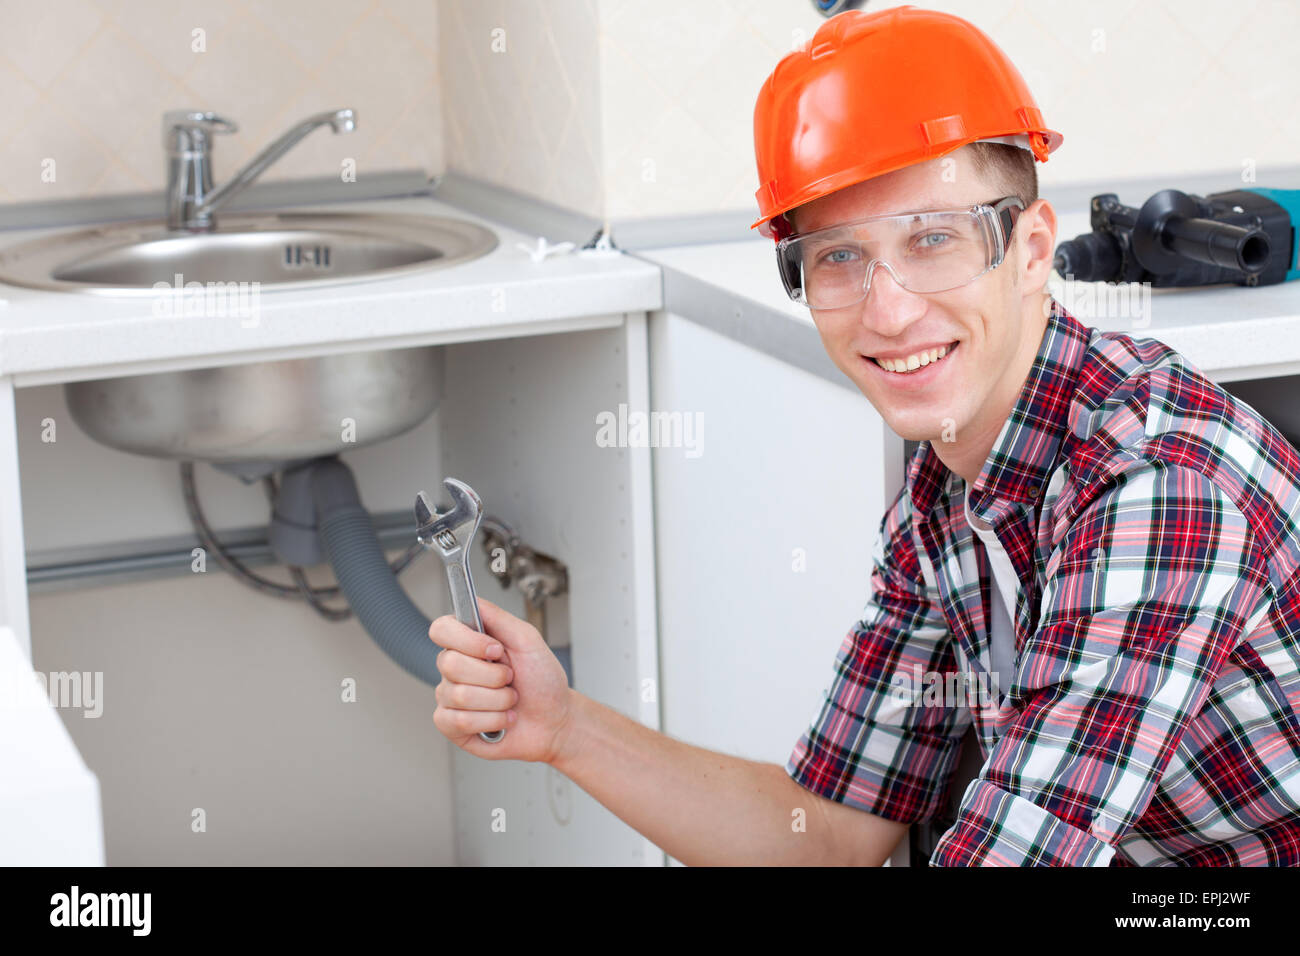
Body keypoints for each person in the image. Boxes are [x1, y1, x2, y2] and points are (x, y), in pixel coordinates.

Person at [428, 6, 1300, 866]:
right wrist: (567, 728)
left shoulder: (1159, 489)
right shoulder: (946, 496)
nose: (888, 311)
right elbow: (828, 833)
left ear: (1033, 250)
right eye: (839, 256)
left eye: (934, 239)